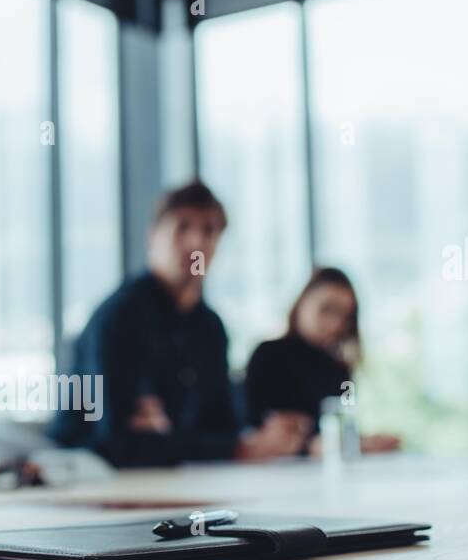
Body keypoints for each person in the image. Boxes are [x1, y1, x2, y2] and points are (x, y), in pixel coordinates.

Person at [50, 180, 309, 467]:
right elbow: (116, 440)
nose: (196, 243)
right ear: (152, 236)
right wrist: (217, 445)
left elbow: (224, 427)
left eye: (208, 231)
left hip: (182, 480)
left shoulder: (210, 327)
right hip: (90, 481)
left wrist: (177, 438)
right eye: (182, 227)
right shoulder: (118, 319)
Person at [244, 267, 400, 456]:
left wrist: (362, 443)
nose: (336, 324)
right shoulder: (267, 355)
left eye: (345, 315)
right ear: (302, 303)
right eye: (327, 309)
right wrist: (310, 446)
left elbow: (337, 428)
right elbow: (250, 428)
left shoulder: (340, 370)